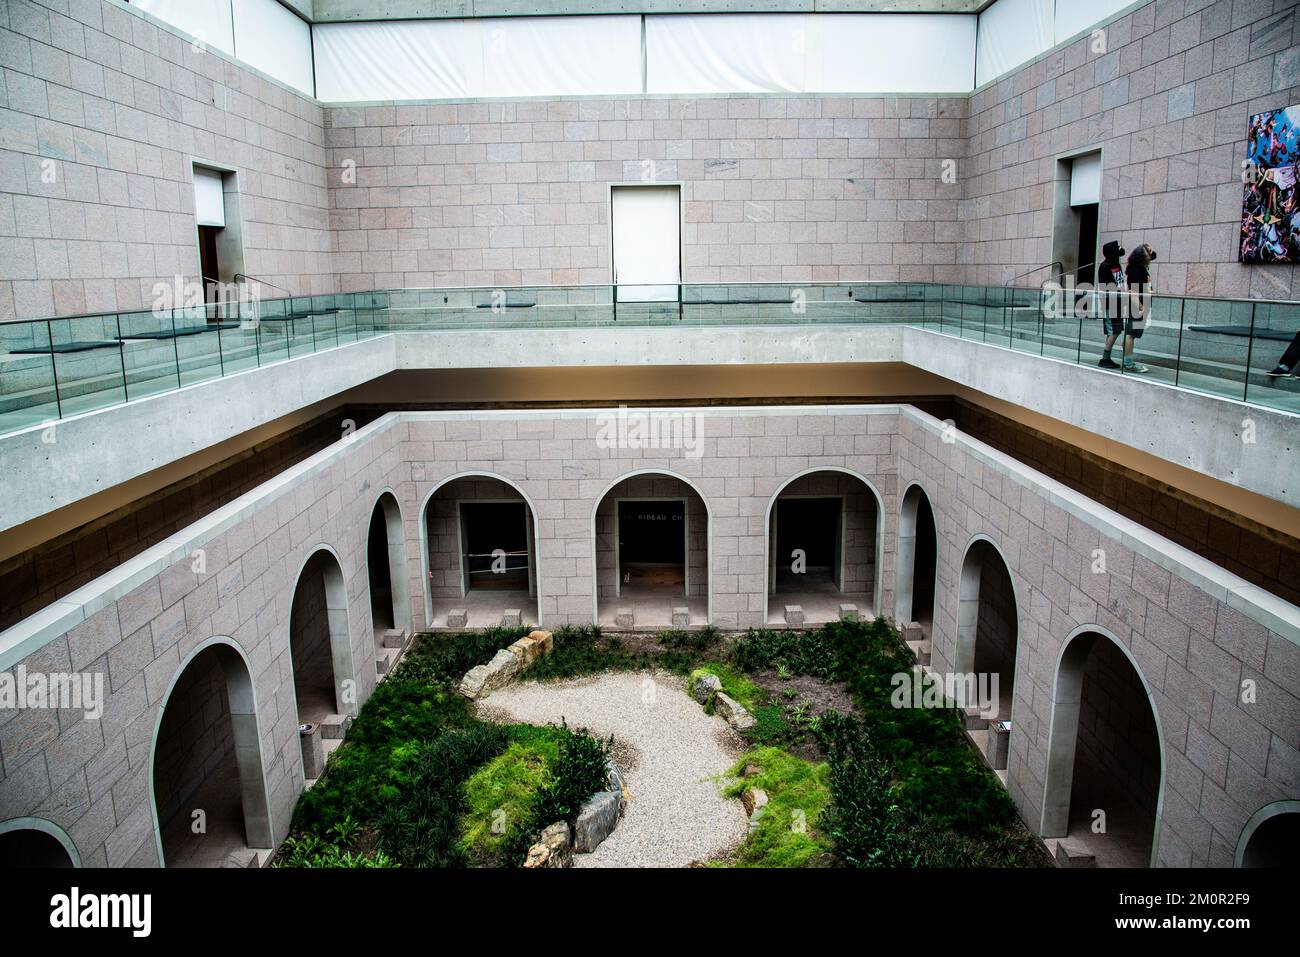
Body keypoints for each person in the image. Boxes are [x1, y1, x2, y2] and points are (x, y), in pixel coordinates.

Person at [1122, 243, 1157, 373]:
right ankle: (1128, 363)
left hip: (1139, 305)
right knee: (1131, 334)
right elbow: (1133, 292)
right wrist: (1141, 308)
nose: (1151, 254)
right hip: (1137, 307)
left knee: (1131, 334)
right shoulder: (1137, 270)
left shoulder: (1139, 268)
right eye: (1148, 252)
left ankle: (1127, 360)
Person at [1097, 240, 1128, 369]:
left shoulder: (1116, 265)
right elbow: (1105, 287)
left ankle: (1107, 358)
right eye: (1118, 248)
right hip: (1110, 303)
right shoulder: (1105, 266)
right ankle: (1104, 358)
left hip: (1118, 301)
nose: (1120, 249)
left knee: (1114, 331)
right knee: (1114, 330)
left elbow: (1120, 282)